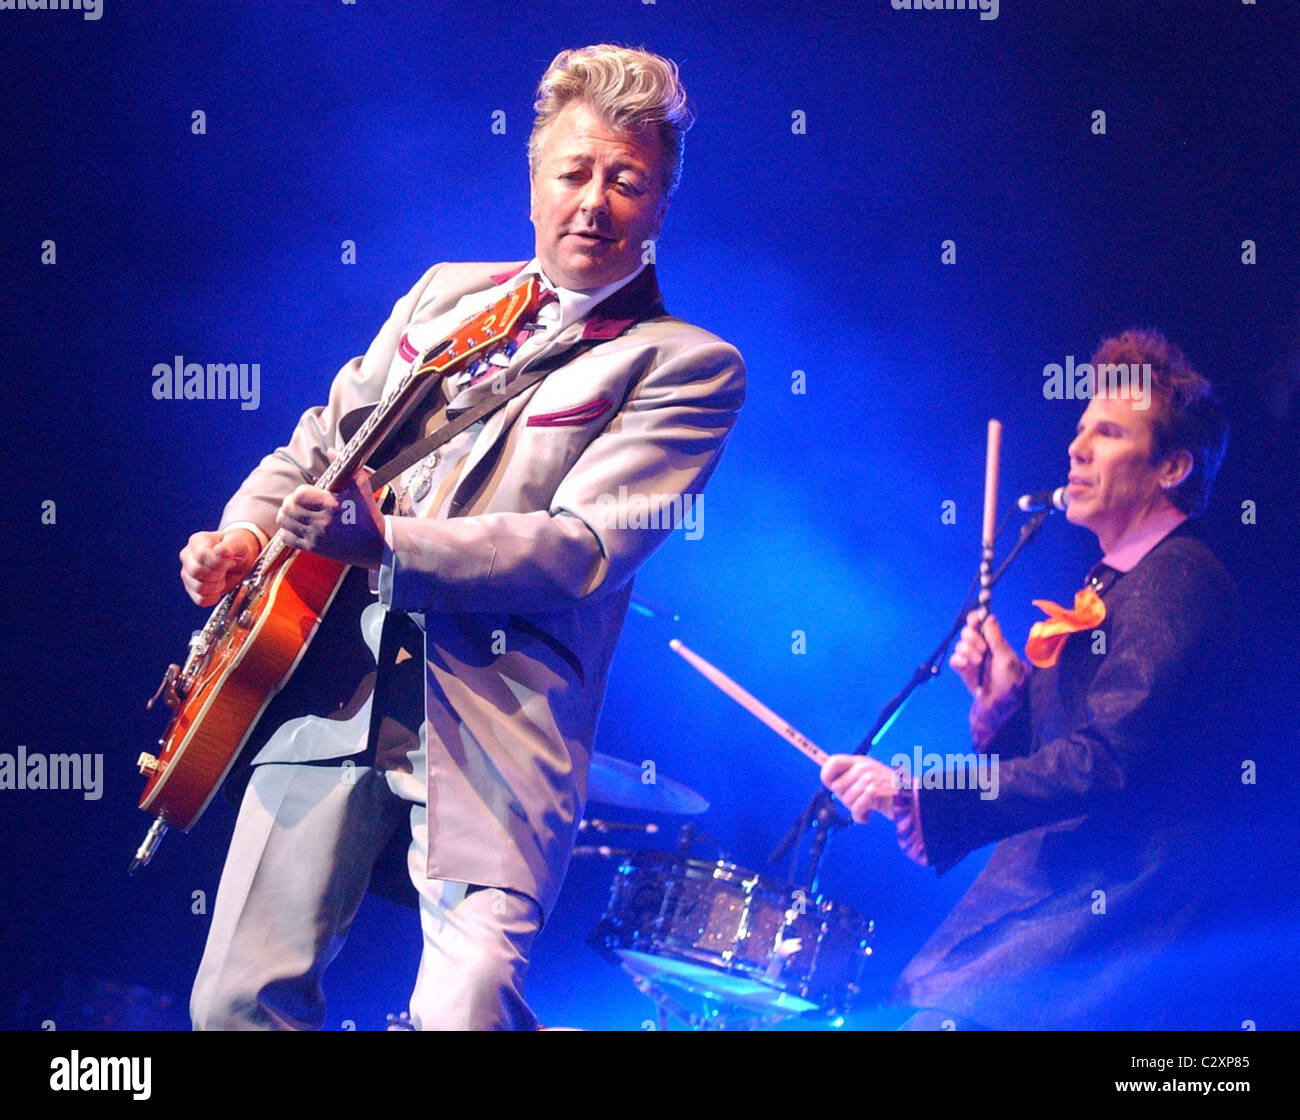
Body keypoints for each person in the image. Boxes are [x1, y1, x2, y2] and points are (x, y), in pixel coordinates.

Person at [178, 44, 745, 1030]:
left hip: (493, 722)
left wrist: (386, 544)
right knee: (232, 1004)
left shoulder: (686, 364)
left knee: (466, 1008)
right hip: (325, 685)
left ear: (660, 205)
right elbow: (320, 440)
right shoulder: (446, 295)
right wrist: (243, 535)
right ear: (532, 181)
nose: (593, 201)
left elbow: (580, 548)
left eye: (627, 182)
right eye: (572, 173)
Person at [822, 329, 1237, 1029]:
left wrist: (922, 790)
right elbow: (1055, 758)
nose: (1076, 449)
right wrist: (1003, 704)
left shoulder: (1180, 574)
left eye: (1107, 433)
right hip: (1041, 923)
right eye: (1081, 431)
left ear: (1172, 467)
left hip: (1101, 933)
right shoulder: (1116, 582)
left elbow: (1105, 763)